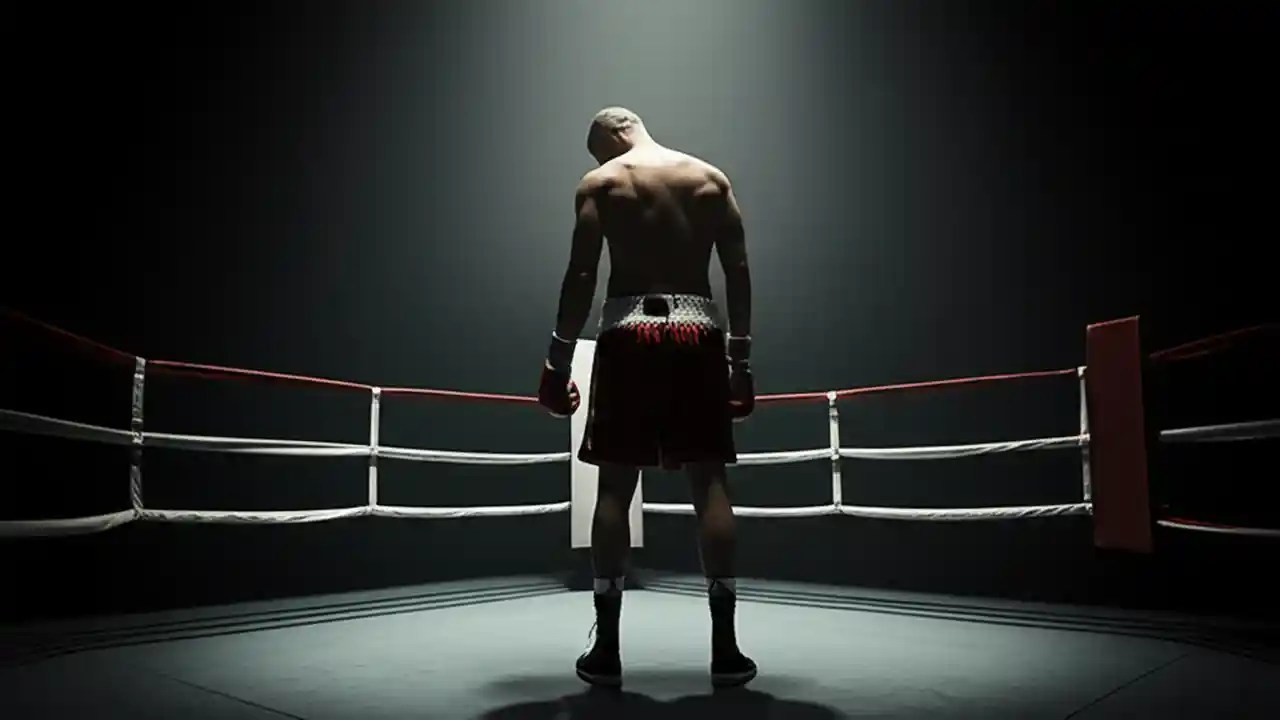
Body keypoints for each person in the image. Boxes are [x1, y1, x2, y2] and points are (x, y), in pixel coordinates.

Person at [537, 107, 757, 689]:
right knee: (709, 482)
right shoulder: (709, 179)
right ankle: (726, 647)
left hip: (627, 332)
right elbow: (737, 271)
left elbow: (580, 276)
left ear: (610, 134)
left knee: (615, 484)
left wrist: (556, 364)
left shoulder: (604, 183)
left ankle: (606, 649)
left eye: (599, 151)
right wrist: (741, 362)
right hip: (698, 330)